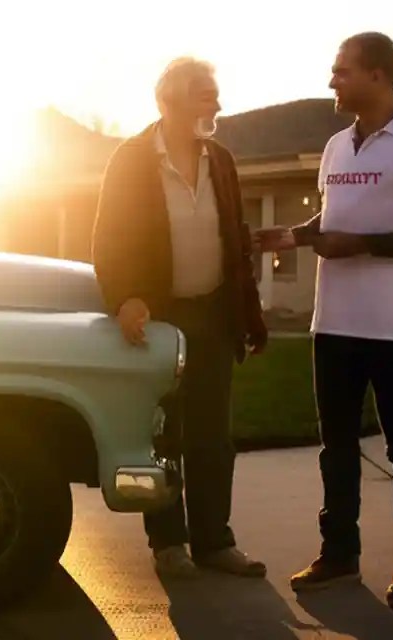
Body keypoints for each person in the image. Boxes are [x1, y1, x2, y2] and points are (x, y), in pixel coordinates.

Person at [256, 32, 393, 608]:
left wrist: (360, 246)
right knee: (337, 446)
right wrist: (295, 235)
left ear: (378, 74)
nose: (331, 81)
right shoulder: (336, 147)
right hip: (335, 323)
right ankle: (339, 554)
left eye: (342, 71)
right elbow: (338, 213)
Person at [92, 56, 268, 579]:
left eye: (214, 94)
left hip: (213, 313)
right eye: (205, 94)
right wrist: (126, 297)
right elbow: (109, 238)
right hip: (161, 319)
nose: (216, 104)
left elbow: (235, 241)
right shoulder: (132, 160)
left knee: (214, 436)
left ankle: (216, 543)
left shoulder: (222, 160)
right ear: (170, 101)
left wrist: (249, 315)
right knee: (162, 433)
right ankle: (168, 544)